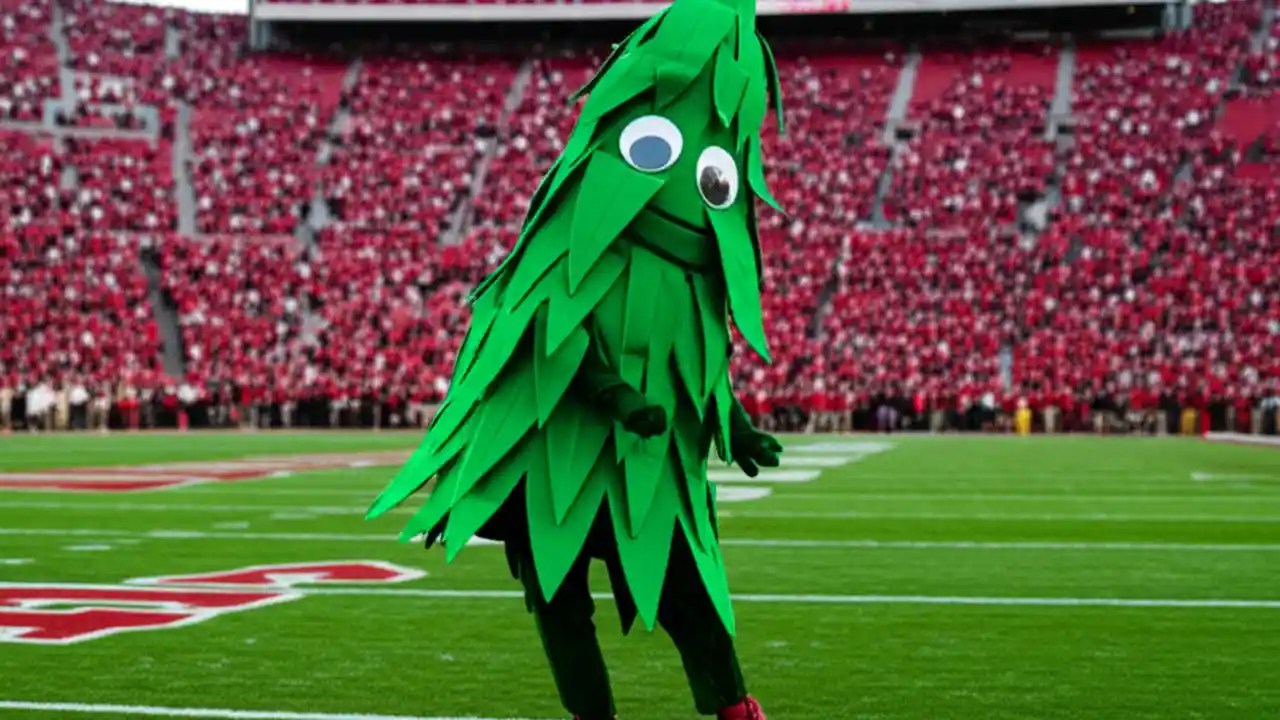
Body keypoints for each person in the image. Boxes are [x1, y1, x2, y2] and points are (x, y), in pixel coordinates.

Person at [365, 2, 782, 717]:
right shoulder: (572, 237)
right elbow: (549, 325)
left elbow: (691, 362)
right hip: (553, 457)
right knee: (560, 599)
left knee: (688, 588)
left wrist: (731, 423)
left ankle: (733, 705)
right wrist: (615, 395)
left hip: (644, 468)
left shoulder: (689, 275)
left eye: (716, 177)